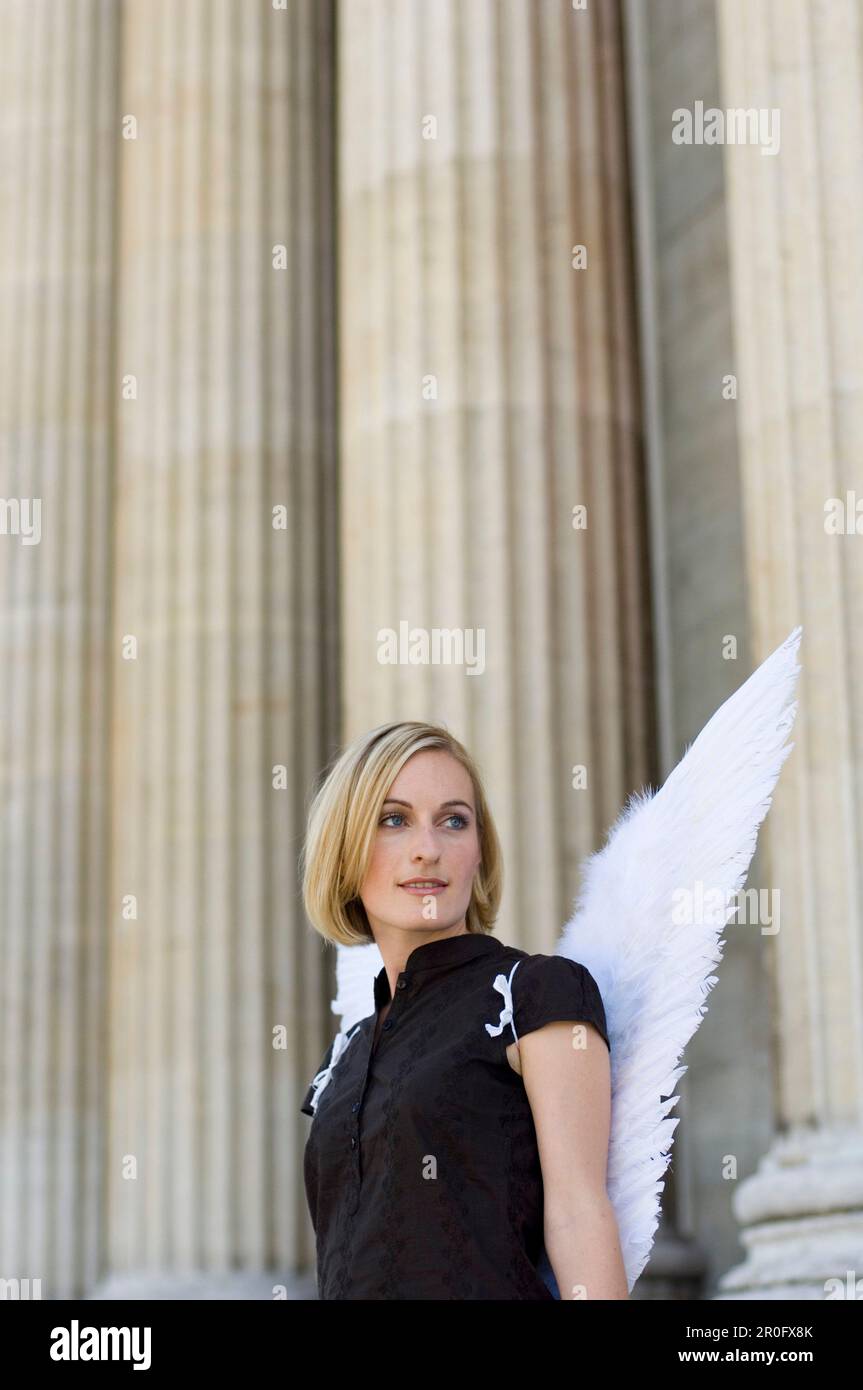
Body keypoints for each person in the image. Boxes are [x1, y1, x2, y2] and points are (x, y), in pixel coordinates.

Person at [299, 720, 628, 1299]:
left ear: (478, 852)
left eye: (454, 820)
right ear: (346, 850)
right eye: (394, 820)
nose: (429, 848)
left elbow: (578, 1214)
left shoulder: (535, 993)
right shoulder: (345, 1053)